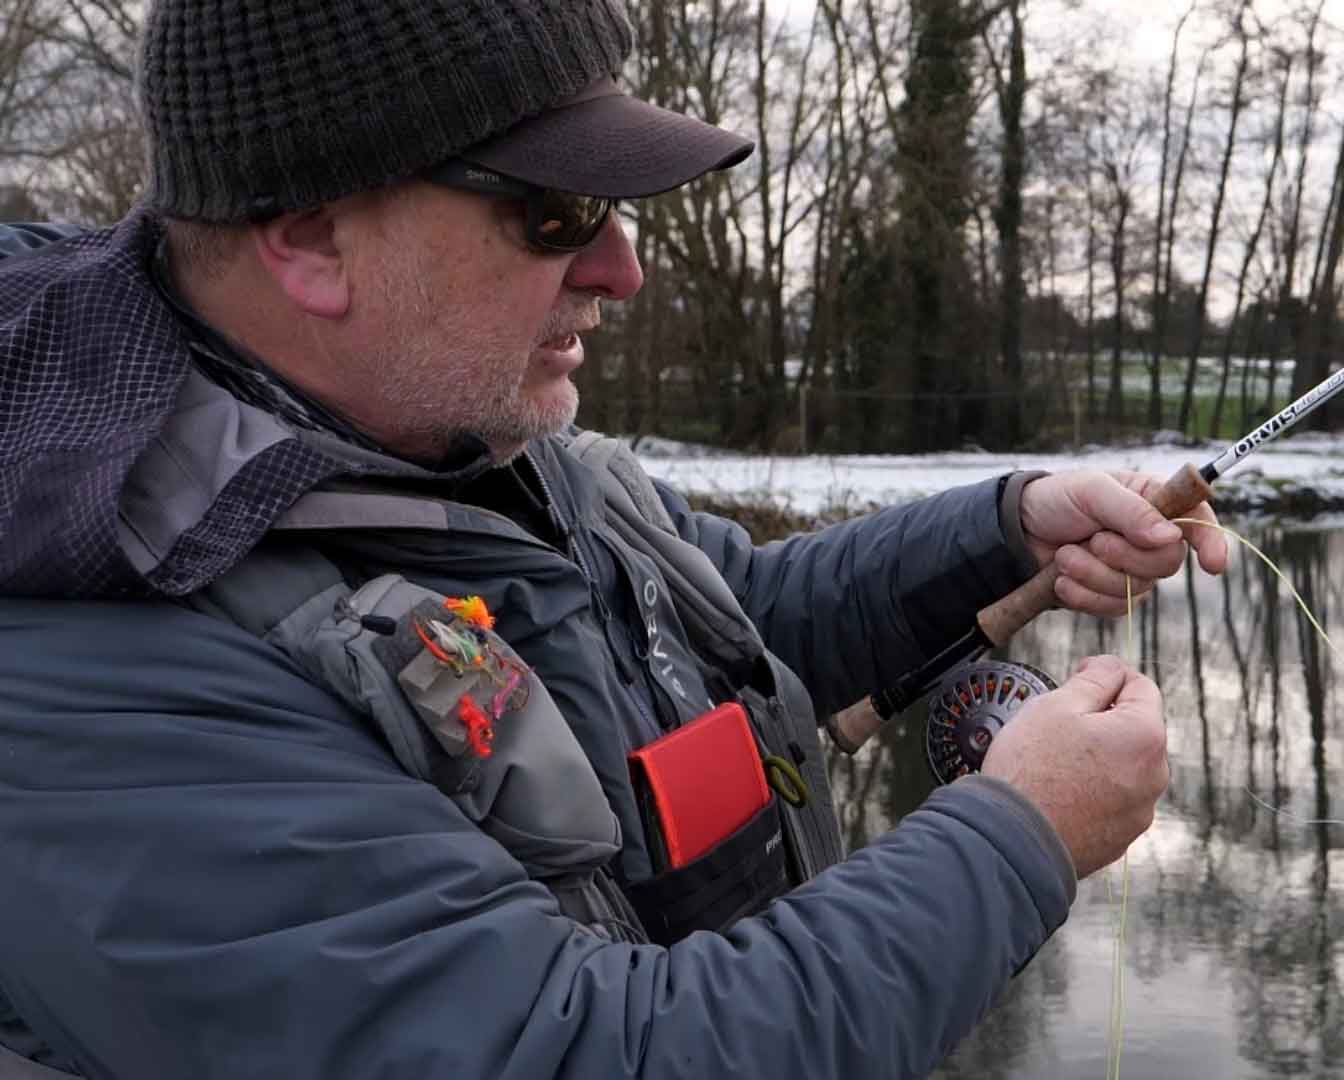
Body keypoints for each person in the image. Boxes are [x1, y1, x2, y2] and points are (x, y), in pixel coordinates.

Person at [0, 2, 1230, 1077]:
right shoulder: (96, 668)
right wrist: (1019, 836)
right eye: (557, 211)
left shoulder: (467, 433)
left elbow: (741, 616)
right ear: (314, 235)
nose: (622, 268)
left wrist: (1007, 527)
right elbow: (586, 1051)